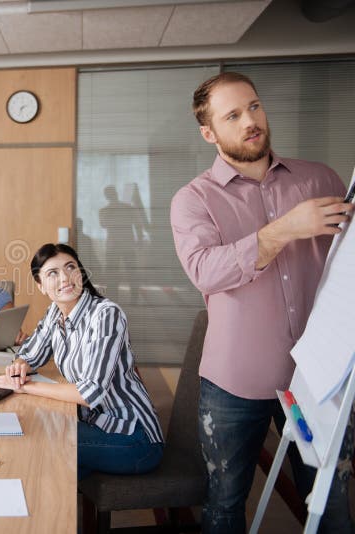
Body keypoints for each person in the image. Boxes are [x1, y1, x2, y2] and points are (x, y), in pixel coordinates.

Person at [170, 72, 355, 533]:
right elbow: (206, 272)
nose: (250, 121)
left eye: (254, 106)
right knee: (225, 504)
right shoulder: (193, 200)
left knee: (330, 502)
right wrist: (286, 229)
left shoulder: (320, 179)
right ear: (209, 133)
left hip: (319, 378)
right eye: (233, 115)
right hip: (234, 381)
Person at [0, 243, 163, 479]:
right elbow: (32, 354)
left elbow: (90, 393)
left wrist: (25, 387)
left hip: (135, 437)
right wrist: (20, 364)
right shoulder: (55, 313)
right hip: (96, 424)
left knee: (37, 443)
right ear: (40, 286)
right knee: (46, 454)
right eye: (53, 273)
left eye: (71, 267)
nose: (65, 278)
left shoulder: (106, 314)